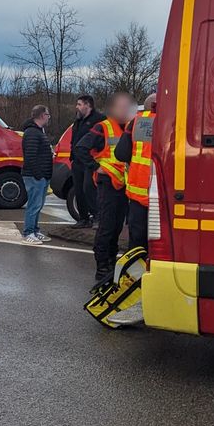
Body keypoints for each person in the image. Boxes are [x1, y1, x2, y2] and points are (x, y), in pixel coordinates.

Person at [74, 92, 134, 291]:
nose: (126, 111)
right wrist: (94, 166)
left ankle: (110, 262)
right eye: (123, 107)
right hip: (107, 182)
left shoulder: (128, 127)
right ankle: (102, 268)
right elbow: (81, 148)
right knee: (107, 227)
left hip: (122, 183)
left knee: (116, 227)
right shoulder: (103, 127)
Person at [115, 93, 157, 255]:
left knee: (137, 241)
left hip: (137, 191)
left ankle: (134, 276)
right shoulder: (170, 121)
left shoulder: (135, 122)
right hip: (160, 193)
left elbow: (121, 154)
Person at [70, 95, 106, 229]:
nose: (76, 107)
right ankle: (83, 218)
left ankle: (97, 217)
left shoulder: (99, 120)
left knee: (89, 189)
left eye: (79, 104)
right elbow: (74, 140)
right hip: (78, 161)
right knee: (78, 191)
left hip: (91, 161)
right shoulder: (78, 121)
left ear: (88, 105)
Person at [20, 105, 53, 244]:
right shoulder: (32, 133)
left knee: (38, 205)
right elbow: (30, 156)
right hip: (35, 176)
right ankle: (28, 232)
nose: (48, 117)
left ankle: (35, 230)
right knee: (34, 205)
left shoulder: (39, 131)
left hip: (41, 175)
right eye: (47, 114)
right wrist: (39, 174)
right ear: (41, 115)